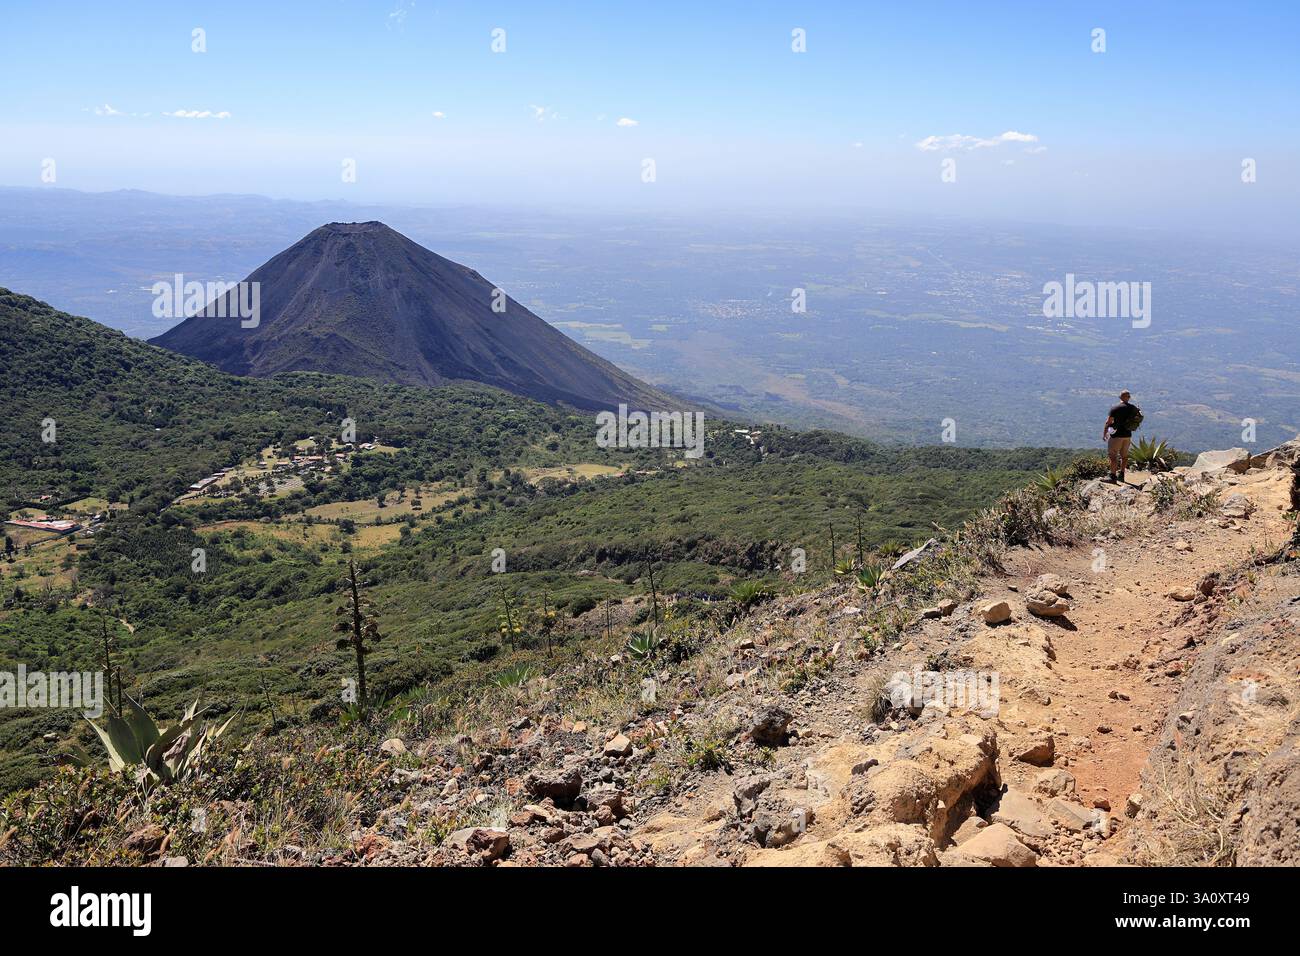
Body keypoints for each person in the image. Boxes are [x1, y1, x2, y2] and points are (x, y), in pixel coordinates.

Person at [1102, 390, 1140, 483]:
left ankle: (1112, 476)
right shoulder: (1133, 408)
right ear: (1129, 397)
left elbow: (1109, 422)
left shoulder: (1115, 408)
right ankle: (1122, 475)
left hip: (1116, 436)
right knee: (1124, 456)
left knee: (1113, 456)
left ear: (1120, 397)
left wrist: (1105, 433)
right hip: (1127, 436)